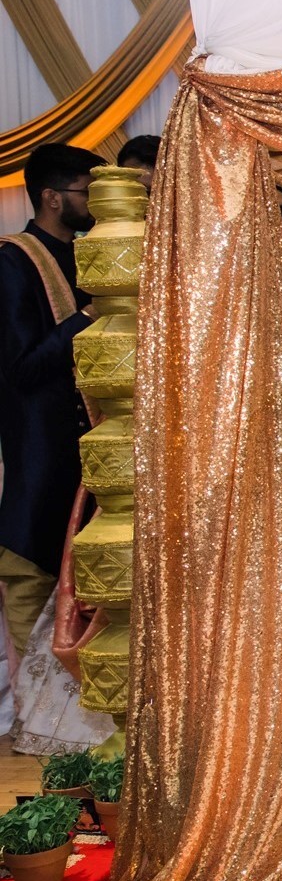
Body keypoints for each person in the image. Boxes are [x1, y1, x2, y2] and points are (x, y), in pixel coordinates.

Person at [0, 144, 102, 685]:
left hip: (87, 481)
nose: (94, 204)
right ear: (51, 197)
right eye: (86, 192)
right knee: (39, 655)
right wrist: (87, 316)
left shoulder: (87, 256)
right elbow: (20, 369)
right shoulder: (13, 262)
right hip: (39, 482)